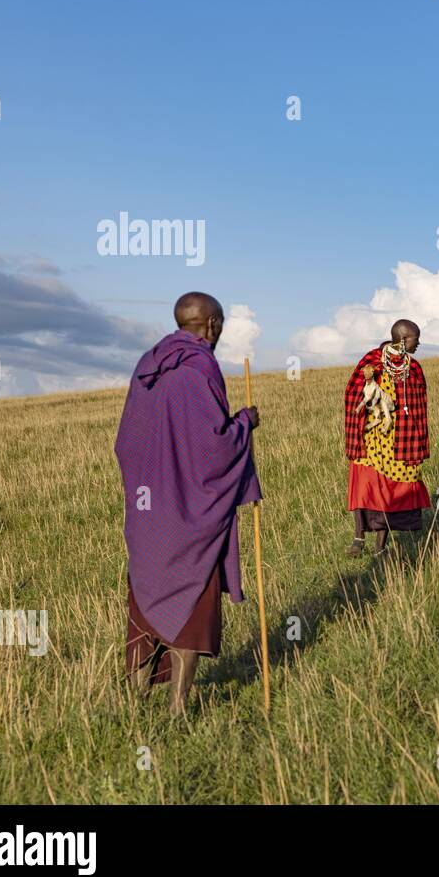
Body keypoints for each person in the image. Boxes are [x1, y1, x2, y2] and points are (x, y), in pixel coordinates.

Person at [115, 292, 262, 716]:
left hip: (148, 514)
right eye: (222, 323)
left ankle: (136, 704)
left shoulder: (148, 367)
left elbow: (126, 443)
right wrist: (244, 423)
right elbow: (213, 447)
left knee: (147, 603)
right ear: (212, 324)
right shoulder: (200, 367)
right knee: (192, 604)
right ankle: (178, 707)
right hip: (191, 518)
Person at [343, 319, 431, 557]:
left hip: (400, 440)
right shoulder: (371, 361)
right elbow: (353, 394)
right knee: (365, 486)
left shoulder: (413, 368)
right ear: (403, 340)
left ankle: (380, 546)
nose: (418, 344)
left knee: (391, 491)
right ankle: (358, 537)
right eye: (415, 339)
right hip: (371, 438)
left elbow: (419, 405)